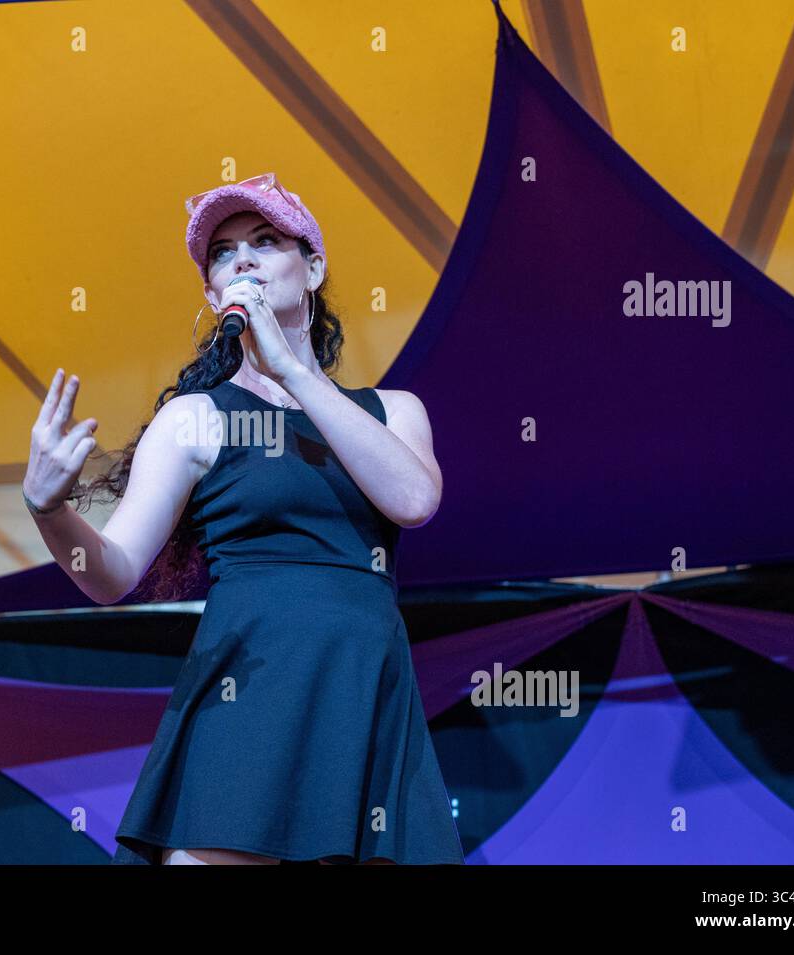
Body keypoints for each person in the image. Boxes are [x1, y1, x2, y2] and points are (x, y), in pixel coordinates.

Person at [23, 172, 465, 865]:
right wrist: (48, 509)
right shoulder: (194, 420)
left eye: (265, 241)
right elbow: (110, 574)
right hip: (248, 689)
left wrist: (296, 374)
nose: (245, 260)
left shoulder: (393, 411)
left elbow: (414, 500)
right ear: (212, 293)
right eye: (225, 253)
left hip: (361, 689)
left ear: (312, 267)